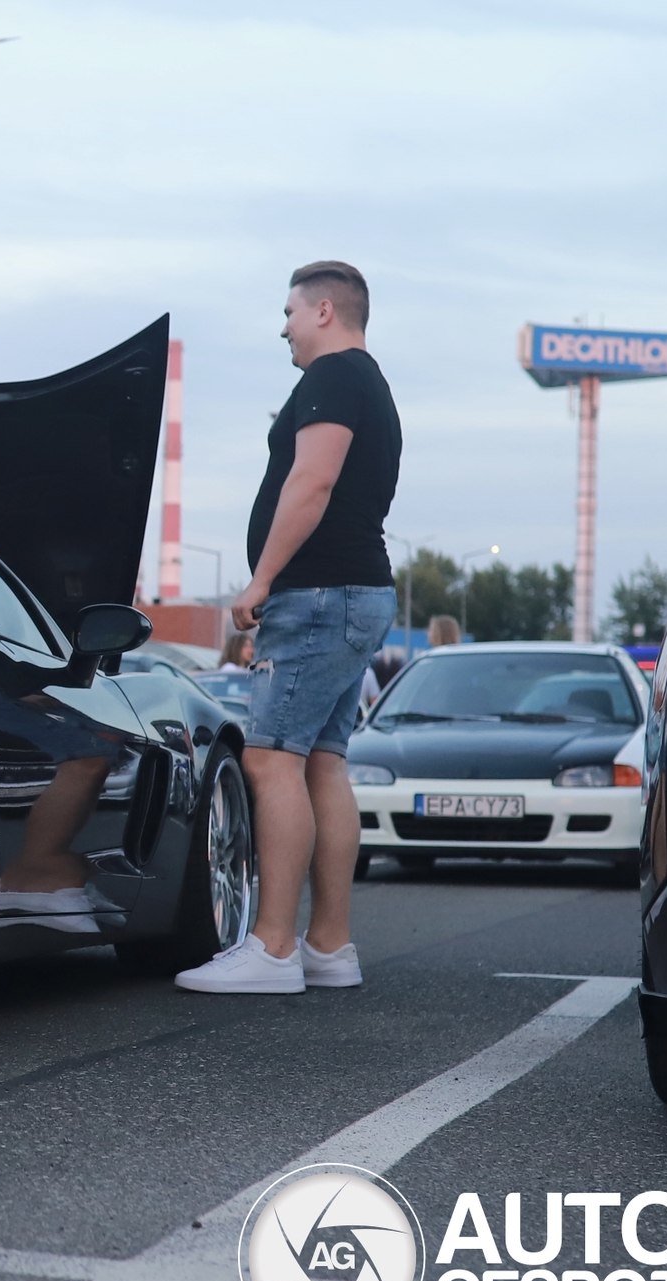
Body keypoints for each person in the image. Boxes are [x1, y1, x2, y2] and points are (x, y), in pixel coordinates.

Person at [177, 262, 400, 995]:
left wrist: (263, 578)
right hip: (355, 593)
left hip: (317, 595)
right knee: (321, 762)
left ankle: (272, 948)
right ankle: (328, 946)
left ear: (325, 311)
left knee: (272, 762)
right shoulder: (372, 382)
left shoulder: (333, 379)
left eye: (290, 313)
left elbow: (313, 480)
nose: (283, 328)